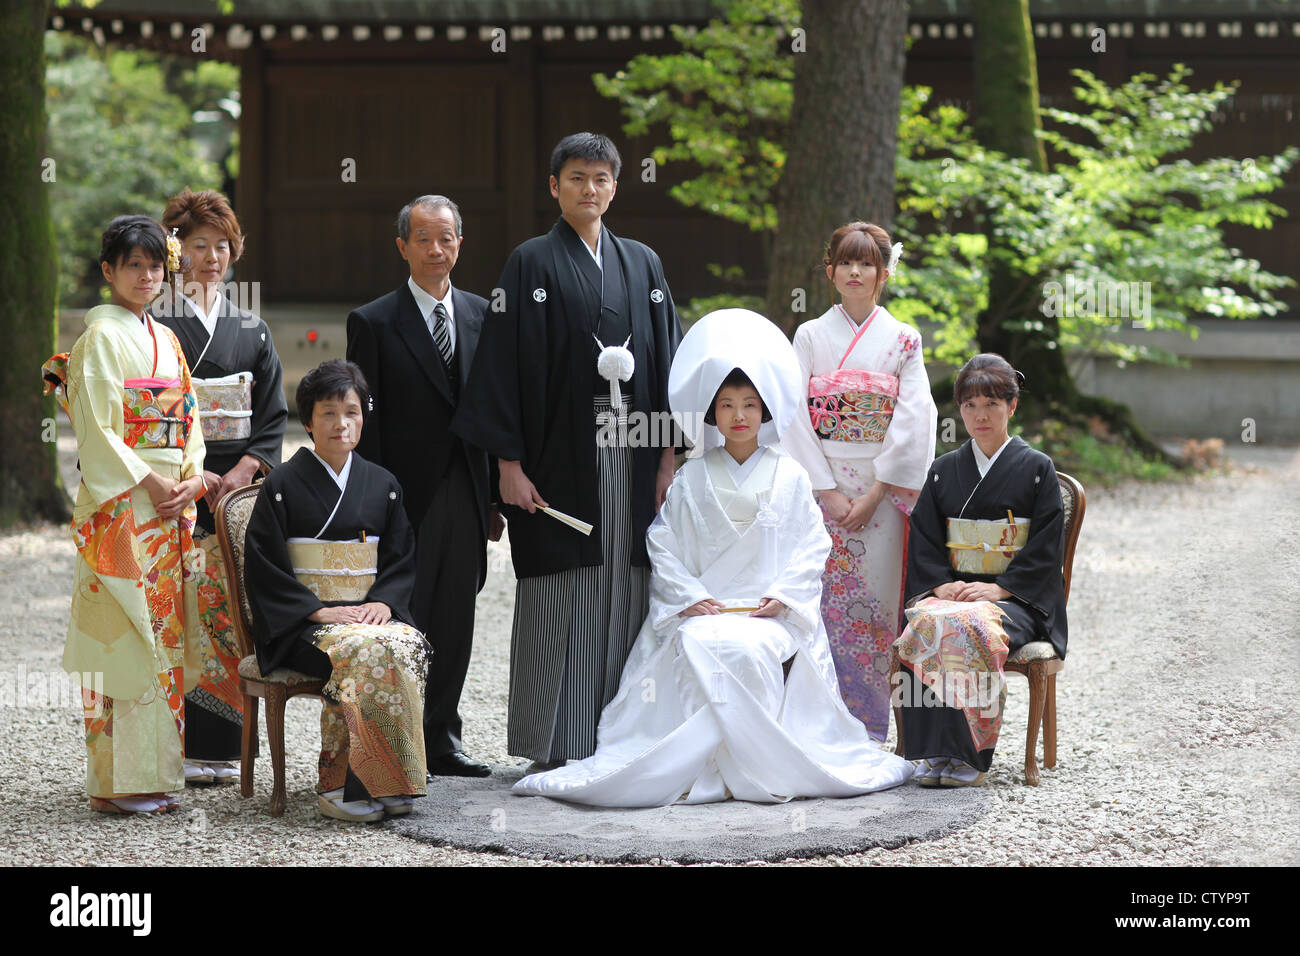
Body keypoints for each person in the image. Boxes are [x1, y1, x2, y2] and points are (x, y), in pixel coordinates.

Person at [513, 310, 915, 806]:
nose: (740, 415)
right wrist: (691, 596)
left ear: (766, 410)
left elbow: (814, 544)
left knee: (750, 648)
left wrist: (784, 595)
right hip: (706, 607)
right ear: (712, 414)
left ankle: (752, 762)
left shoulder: (789, 476)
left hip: (768, 611)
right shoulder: (693, 476)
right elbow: (662, 542)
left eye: (749, 403)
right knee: (703, 642)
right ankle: (706, 765)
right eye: (727, 405)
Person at [454, 132, 682, 767]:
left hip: (635, 449)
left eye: (601, 178)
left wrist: (667, 457)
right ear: (554, 187)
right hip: (558, 452)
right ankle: (556, 742)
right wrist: (508, 464)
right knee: (564, 584)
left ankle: (630, 736)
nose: (590, 189)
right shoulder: (530, 262)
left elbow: (666, 359)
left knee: (631, 583)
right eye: (576, 178)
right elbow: (503, 365)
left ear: (615, 186)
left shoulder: (644, 262)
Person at [43, 215, 206, 814]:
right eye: (132, 265)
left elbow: (188, 418)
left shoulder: (168, 340)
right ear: (108, 270)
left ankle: (156, 775)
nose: (146, 276)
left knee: (162, 637)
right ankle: (116, 784)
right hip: (124, 506)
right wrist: (153, 478)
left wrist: (188, 481)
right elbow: (97, 433)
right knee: (123, 638)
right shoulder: (100, 339)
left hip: (165, 505)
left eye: (154, 266)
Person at [346, 195, 497, 778]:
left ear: (460, 243)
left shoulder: (484, 314)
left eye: (447, 239)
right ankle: (396, 738)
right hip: (402, 490)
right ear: (403, 246)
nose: (436, 250)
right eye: (424, 239)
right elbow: (365, 417)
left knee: (457, 611)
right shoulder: (375, 321)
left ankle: (443, 738)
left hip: (466, 484)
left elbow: (493, 407)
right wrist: (372, 501)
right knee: (404, 613)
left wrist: (492, 496)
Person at [243, 360, 431, 821]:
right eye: (328, 413)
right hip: (305, 627)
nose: (341, 424)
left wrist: (384, 602)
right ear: (307, 421)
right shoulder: (282, 485)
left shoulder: (383, 485)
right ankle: (338, 788)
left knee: (408, 643)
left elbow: (402, 557)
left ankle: (391, 778)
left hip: (365, 615)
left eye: (352, 412)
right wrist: (314, 611)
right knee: (362, 652)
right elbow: (263, 565)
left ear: (364, 418)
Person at [152, 187, 287, 786]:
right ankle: (172, 747)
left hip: (231, 499)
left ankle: (226, 748)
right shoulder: (154, 324)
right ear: (175, 253)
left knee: (231, 615)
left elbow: (275, 414)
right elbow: (150, 412)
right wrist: (191, 469)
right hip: (179, 488)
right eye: (198, 246)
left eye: (222, 246)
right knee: (178, 614)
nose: (212, 257)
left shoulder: (251, 328)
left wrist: (244, 468)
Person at [781, 222, 936, 742]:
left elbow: (915, 418)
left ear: (884, 273)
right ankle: (818, 726)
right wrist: (824, 489)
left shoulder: (903, 339)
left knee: (874, 609)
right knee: (818, 605)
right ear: (829, 271)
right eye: (845, 262)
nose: (855, 272)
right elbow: (794, 415)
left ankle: (869, 730)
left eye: (866, 263)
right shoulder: (808, 336)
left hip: (882, 494)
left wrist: (877, 491)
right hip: (820, 488)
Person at [894, 354, 1068, 787]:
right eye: (969, 406)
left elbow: (1047, 548)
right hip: (953, 593)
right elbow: (925, 539)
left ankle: (971, 756)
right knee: (925, 622)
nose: (979, 415)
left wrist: (1003, 589)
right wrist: (943, 583)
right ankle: (933, 751)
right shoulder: (943, 471)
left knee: (969, 626)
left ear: (1012, 406)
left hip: (1014, 601)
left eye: (991, 404)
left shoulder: (1036, 469)